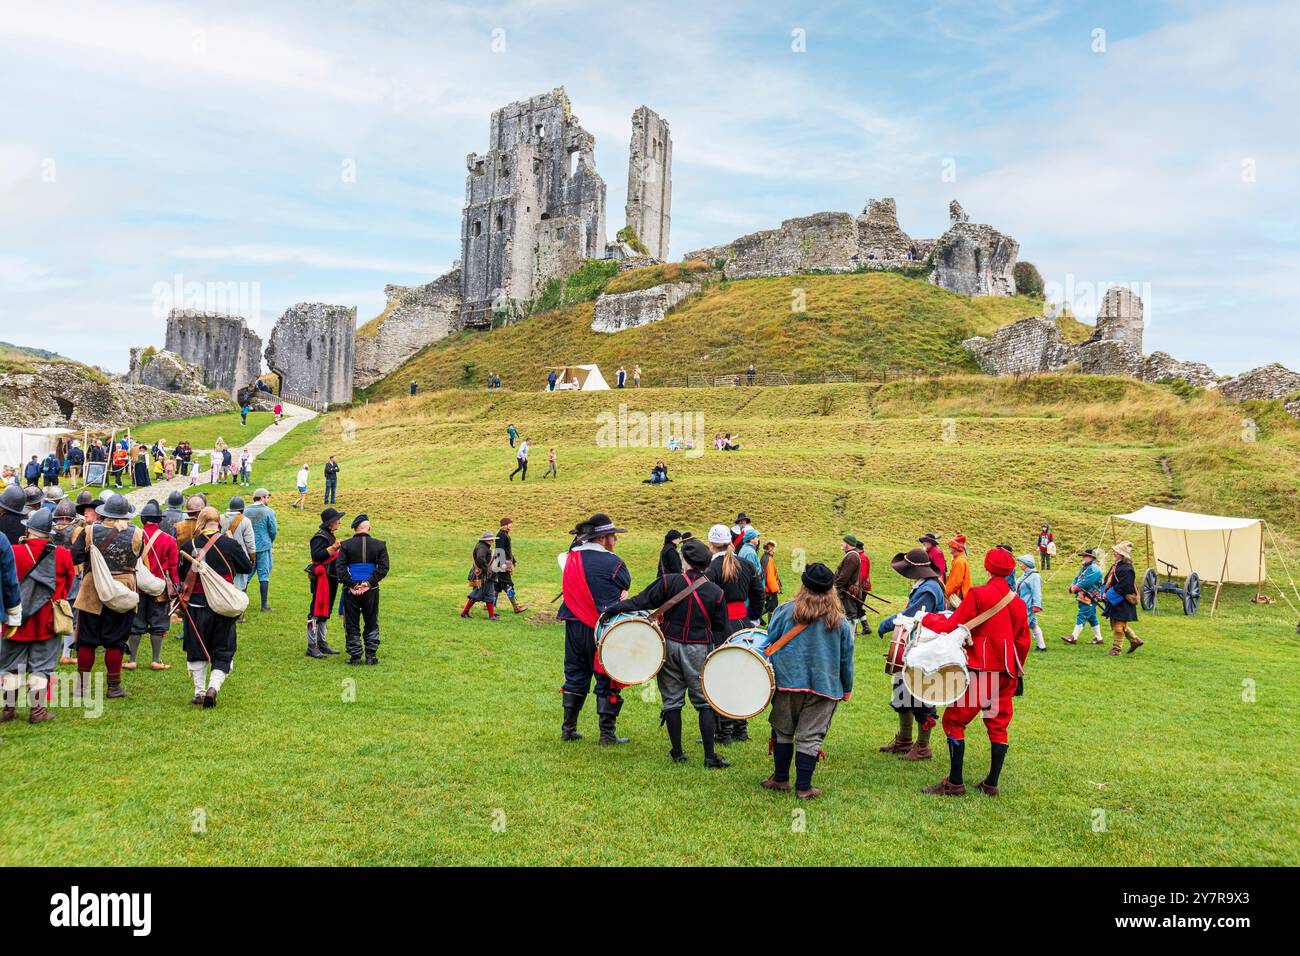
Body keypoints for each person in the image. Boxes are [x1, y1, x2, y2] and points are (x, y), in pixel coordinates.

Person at [602, 537, 729, 766]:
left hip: (667, 645)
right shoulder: (716, 592)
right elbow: (720, 627)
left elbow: (641, 601)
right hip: (699, 649)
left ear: (684, 560)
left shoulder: (669, 582)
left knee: (672, 700)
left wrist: (613, 609)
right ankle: (710, 756)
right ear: (706, 565)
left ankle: (678, 752)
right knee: (704, 702)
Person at [920, 547, 1032, 797]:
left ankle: (955, 783)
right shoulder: (1018, 602)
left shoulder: (979, 594)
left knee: (954, 721)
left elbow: (951, 624)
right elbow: (1023, 641)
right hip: (1007, 674)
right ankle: (991, 783)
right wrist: (1015, 668)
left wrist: (925, 620)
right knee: (997, 724)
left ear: (988, 567)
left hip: (983, 671)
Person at [756, 562, 854, 799]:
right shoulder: (840, 621)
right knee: (810, 736)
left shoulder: (785, 610)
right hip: (825, 686)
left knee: (783, 730)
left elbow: (770, 640)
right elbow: (846, 659)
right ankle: (803, 787)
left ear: (804, 585)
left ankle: (780, 779)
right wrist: (847, 687)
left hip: (787, 681)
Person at [558, 514, 632, 745]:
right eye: (613, 536)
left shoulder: (570, 558)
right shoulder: (614, 562)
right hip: (604, 627)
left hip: (574, 624)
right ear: (603, 538)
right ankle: (606, 735)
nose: (615, 541)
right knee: (607, 675)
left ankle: (568, 729)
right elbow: (624, 584)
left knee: (575, 672)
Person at [1, 508, 74, 724]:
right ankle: (37, 711)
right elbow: (68, 584)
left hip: (16, 618)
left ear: (29, 530)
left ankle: (9, 708)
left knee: (11, 665)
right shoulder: (62, 554)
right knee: (41, 667)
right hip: (47, 620)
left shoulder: (13, 551)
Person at [69, 492, 143, 702]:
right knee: (116, 641)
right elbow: (137, 557)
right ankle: (114, 687)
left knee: (86, 641)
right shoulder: (137, 534)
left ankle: (81, 688)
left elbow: (75, 556)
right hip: (123, 591)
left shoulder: (90, 531)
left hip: (93, 590)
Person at [877, 547, 948, 760]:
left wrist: (887, 623)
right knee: (903, 690)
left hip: (924, 649)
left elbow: (911, 616)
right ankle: (905, 740)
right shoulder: (926, 585)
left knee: (921, 696)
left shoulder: (929, 589)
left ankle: (923, 746)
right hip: (913, 647)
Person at [179, 506, 253, 707]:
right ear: (218, 523)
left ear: (200, 523)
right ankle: (213, 687)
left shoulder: (188, 546)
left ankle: (199, 691)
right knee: (223, 648)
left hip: (195, 606)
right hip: (222, 606)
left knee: (196, 648)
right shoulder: (230, 544)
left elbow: (181, 575)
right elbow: (246, 566)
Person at [705, 523, 763, 745]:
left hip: (721, 627)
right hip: (744, 624)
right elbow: (758, 593)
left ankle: (725, 730)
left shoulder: (711, 570)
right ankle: (741, 727)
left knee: (722, 676)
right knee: (742, 675)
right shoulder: (746, 564)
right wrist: (755, 619)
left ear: (711, 544)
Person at [126, 500, 178, 672]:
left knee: (136, 622)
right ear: (158, 520)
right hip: (160, 589)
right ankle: (156, 660)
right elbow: (173, 567)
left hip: (137, 587)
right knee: (159, 623)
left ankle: (132, 660)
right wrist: (175, 586)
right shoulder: (169, 540)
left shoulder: (133, 537)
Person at [338, 514, 389, 665]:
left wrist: (353, 585)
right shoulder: (380, 545)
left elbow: (340, 569)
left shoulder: (346, 545)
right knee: (371, 620)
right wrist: (368, 583)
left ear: (355, 528)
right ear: (368, 527)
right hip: (371, 590)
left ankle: (355, 656)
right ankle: (371, 656)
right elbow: (384, 568)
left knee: (351, 622)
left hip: (350, 590)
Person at [305, 508, 345, 658]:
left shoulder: (329, 535)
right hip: (323, 579)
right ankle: (311, 645)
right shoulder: (320, 537)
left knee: (325, 611)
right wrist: (334, 547)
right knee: (315, 612)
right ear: (331, 523)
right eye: (337, 519)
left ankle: (321, 642)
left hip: (331, 578)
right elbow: (317, 556)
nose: (339, 521)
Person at [1102, 540, 1143, 655]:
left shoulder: (1127, 569)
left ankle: (1116, 649)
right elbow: (1107, 579)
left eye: (1116, 551)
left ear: (1122, 554)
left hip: (1123, 601)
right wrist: (1102, 591)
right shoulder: (1116, 565)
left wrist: (1108, 594)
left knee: (1118, 626)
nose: (1114, 553)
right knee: (1116, 623)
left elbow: (1124, 586)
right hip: (1115, 599)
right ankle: (1135, 640)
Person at [1062, 548, 1106, 645]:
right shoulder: (1086, 567)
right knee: (1092, 617)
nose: (1083, 558)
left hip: (1089, 597)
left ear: (1091, 557)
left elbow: (1087, 581)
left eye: (1085, 556)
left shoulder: (1094, 569)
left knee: (1082, 615)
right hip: (1084, 595)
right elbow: (1077, 577)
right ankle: (1099, 639)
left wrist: (1076, 587)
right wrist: (1073, 585)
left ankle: (1073, 637)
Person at [220, 497, 256, 611]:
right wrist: (252, 558)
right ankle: (238, 612)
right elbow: (250, 543)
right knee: (239, 585)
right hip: (239, 556)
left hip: (222, 556)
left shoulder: (220, 518)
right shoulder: (245, 521)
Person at [245, 489, 278, 612]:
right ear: (263, 497)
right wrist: (269, 540)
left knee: (245, 575)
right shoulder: (269, 512)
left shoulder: (245, 511)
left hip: (249, 549)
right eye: (267, 497)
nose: (268, 500)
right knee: (264, 575)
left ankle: (240, 602)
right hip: (264, 547)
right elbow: (273, 530)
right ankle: (264, 605)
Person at [834, 534, 871, 634]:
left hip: (848, 592)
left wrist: (834, 587)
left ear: (848, 544)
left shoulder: (852, 556)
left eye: (843, 542)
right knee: (846, 614)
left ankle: (850, 636)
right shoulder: (851, 555)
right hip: (846, 591)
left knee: (850, 615)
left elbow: (844, 576)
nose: (841, 543)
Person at [492, 517, 527, 614]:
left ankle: (489, 604)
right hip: (501, 565)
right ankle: (516, 607)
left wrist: (513, 560)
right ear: (504, 525)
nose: (511, 525)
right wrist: (504, 565)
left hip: (502, 563)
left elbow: (507, 550)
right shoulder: (501, 535)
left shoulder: (505, 534)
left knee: (498, 585)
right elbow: (500, 550)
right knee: (508, 584)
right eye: (509, 523)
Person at [462, 532, 500, 620]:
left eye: (492, 539)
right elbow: (480, 558)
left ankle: (491, 616)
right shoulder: (482, 547)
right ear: (485, 540)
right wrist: (486, 569)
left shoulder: (484, 546)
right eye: (490, 539)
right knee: (477, 593)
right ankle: (464, 612)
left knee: (489, 594)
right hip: (482, 575)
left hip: (486, 575)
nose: (492, 541)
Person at [1015, 554, 1046, 653]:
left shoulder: (1034, 576)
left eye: (1021, 563)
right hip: (1022, 604)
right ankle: (1042, 647)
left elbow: (1037, 592)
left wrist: (1036, 605)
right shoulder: (1026, 574)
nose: (1019, 564)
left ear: (1027, 564)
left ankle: (1017, 646)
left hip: (1028, 606)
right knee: (1033, 625)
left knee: (1020, 626)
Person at [944, 534, 972, 608]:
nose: (949, 547)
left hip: (958, 595)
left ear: (956, 547)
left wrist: (946, 593)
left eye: (950, 546)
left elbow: (956, 582)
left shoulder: (959, 561)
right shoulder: (960, 559)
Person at [760, 540, 782, 624]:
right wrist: (775, 590)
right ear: (770, 548)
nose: (775, 550)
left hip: (767, 588)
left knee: (769, 606)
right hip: (770, 589)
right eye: (774, 548)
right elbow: (770, 576)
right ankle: (769, 626)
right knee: (772, 607)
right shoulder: (769, 559)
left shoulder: (765, 556)